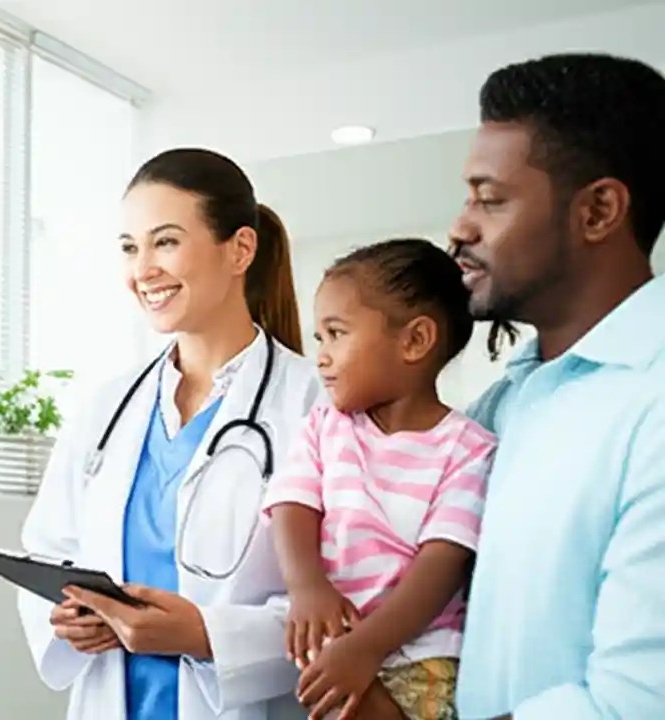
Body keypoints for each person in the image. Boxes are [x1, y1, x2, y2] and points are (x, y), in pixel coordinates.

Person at [17, 147, 324, 720]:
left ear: (240, 249)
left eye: (166, 241)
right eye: (131, 248)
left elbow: (348, 594)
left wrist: (207, 635)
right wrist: (67, 617)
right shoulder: (106, 406)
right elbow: (51, 548)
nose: (143, 270)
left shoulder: (315, 402)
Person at [447, 52, 665, 719]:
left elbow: (636, 703)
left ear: (598, 210)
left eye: (491, 200)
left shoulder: (652, 404)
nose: (460, 226)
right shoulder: (504, 404)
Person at [263, 239, 495, 720]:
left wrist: (367, 648)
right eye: (319, 337)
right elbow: (291, 505)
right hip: (336, 647)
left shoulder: (468, 449)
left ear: (414, 341)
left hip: (418, 658)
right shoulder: (326, 426)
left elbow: (443, 565)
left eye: (336, 334)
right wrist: (307, 587)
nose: (321, 356)